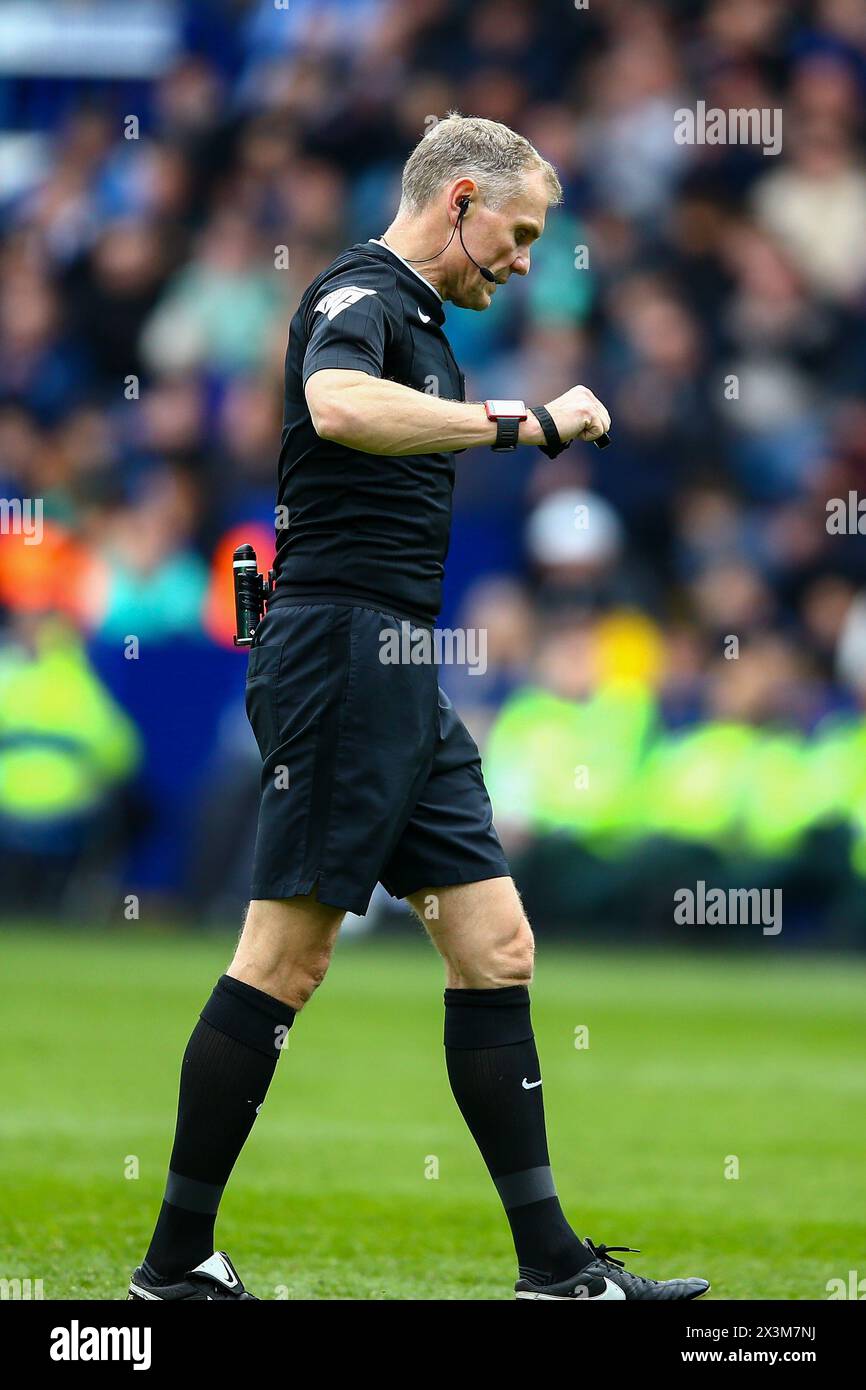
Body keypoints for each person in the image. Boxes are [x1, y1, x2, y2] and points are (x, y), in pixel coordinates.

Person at [130, 113, 708, 1302]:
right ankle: (174, 1263)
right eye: (518, 232)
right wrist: (522, 421)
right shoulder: (362, 295)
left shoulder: (427, 326)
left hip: (392, 666)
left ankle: (553, 1268)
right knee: (284, 959)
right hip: (341, 658)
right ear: (458, 200)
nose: (524, 260)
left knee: (495, 946)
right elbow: (340, 405)